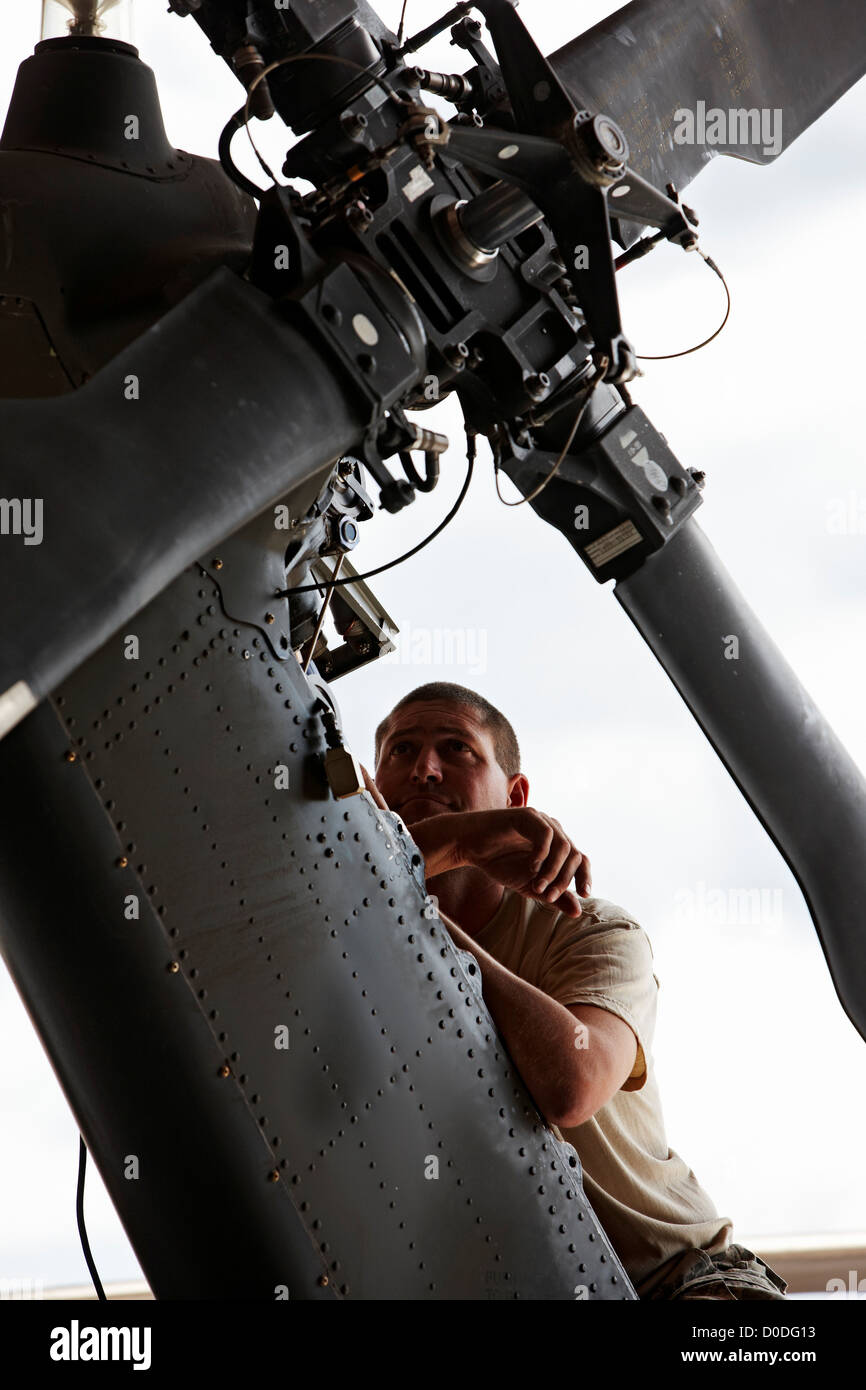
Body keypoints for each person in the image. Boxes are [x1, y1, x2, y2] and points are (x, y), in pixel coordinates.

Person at [363, 680, 787, 1302]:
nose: (424, 770)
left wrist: (426, 916)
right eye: (400, 753)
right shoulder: (354, 939)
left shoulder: (592, 931)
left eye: (457, 749)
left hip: (679, 1284)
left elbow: (570, 1084)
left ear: (516, 797)